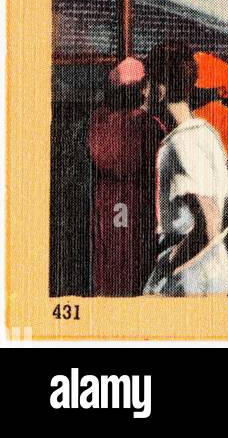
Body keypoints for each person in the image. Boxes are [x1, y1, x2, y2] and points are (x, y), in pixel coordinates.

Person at [143, 41, 228, 297]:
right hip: (213, 264)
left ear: (160, 90)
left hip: (190, 273)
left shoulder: (180, 142)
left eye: (147, 83)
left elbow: (210, 220)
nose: (143, 92)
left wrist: (169, 269)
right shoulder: (207, 133)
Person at [87, 56, 164, 296]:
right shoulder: (148, 124)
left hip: (108, 198)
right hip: (138, 199)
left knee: (109, 255)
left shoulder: (98, 119)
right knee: (135, 258)